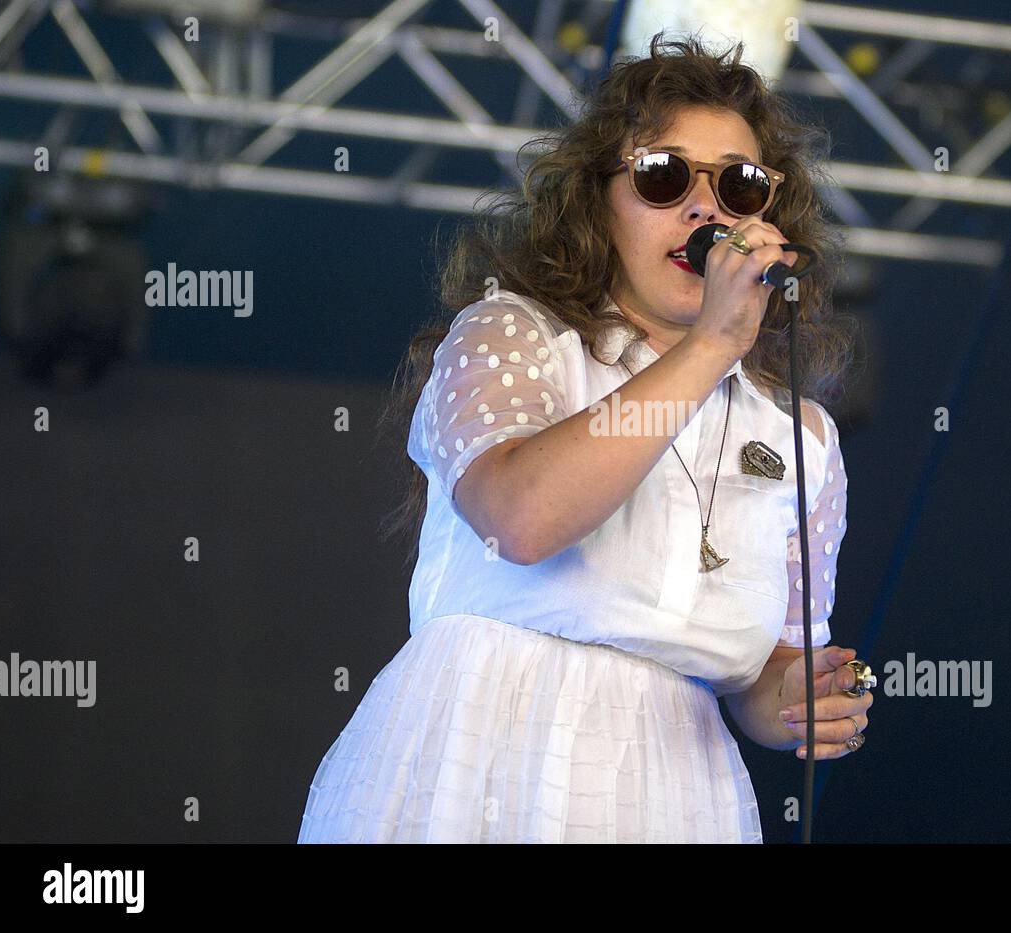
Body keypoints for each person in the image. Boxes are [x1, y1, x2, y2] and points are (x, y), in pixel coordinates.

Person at [298, 33, 872, 844]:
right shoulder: (513, 335)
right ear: (598, 200)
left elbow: (765, 672)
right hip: (479, 760)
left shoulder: (802, 437)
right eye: (663, 176)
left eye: (740, 186)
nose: (705, 210)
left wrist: (800, 703)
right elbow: (522, 518)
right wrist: (711, 345)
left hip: (676, 791)